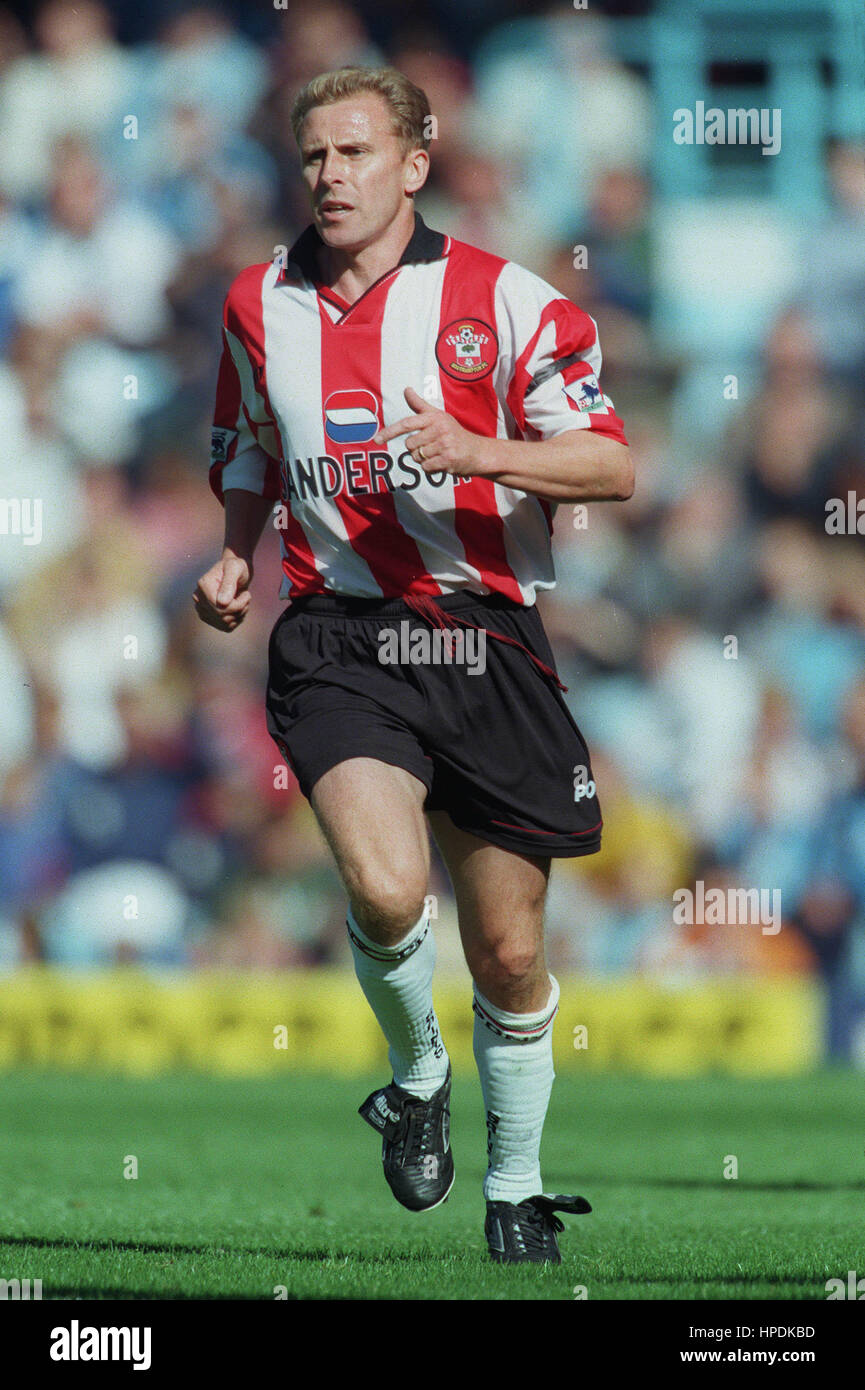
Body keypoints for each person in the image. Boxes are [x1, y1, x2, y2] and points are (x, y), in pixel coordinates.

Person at [194, 66, 633, 1264]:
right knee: (389, 891)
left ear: (413, 164)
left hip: (483, 637)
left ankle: (516, 1189)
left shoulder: (504, 297)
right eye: (314, 158)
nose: (330, 178)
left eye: (353, 154)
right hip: (340, 636)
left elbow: (610, 465)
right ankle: (418, 1071)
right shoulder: (255, 300)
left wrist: (480, 449)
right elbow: (246, 443)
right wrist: (238, 553)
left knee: (505, 951)